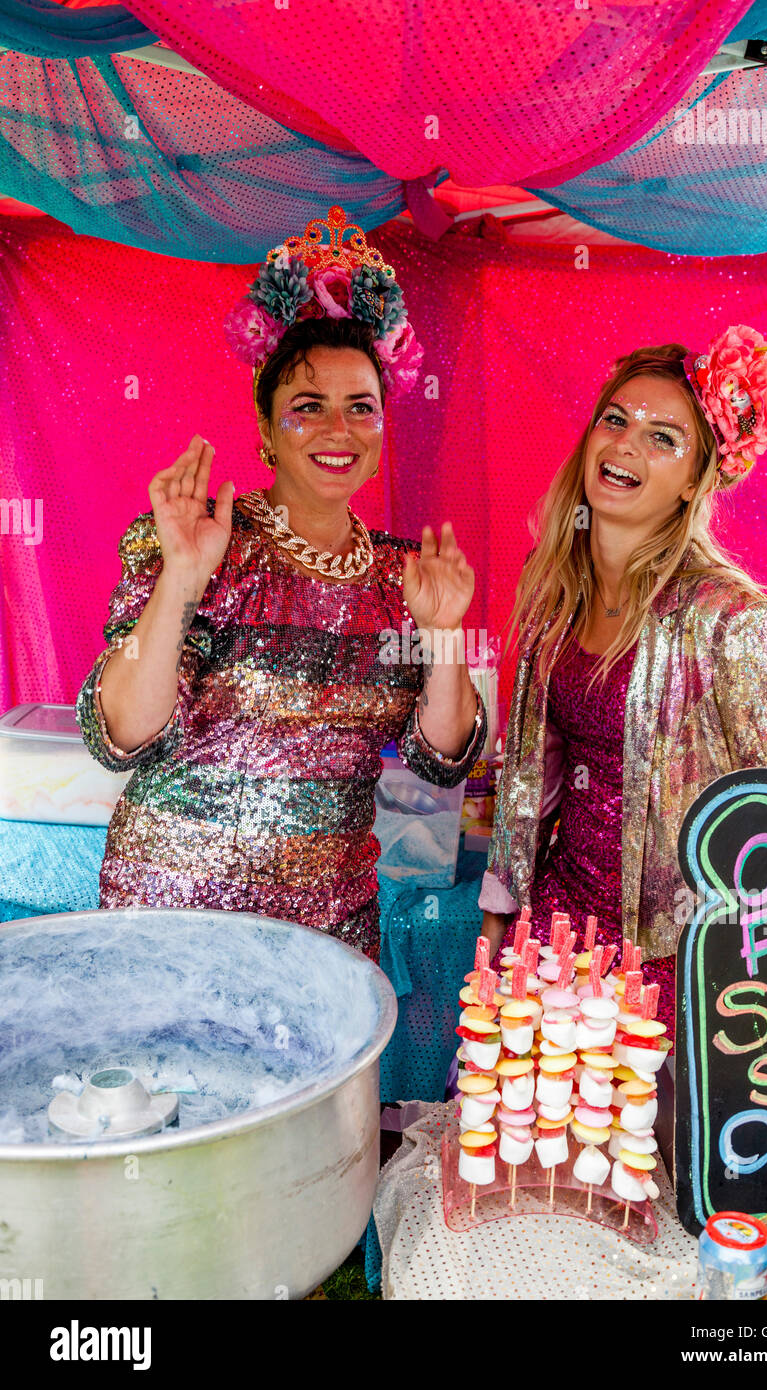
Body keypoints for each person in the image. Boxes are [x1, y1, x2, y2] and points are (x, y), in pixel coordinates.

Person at [76, 206, 485, 962]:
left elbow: (443, 759)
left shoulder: (404, 577)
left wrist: (445, 633)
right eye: (308, 408)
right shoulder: (203, 542)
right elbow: (120, 736)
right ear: (266, 430)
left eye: (361, 408)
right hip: (173, 924)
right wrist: (182, 583)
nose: (339, 429)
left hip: (326, 939)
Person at [478, 328, 767, 1034]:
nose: (628, 443)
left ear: (696, 481)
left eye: (665, 438)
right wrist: (499, 926)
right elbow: (526, 785)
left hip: (684, 959)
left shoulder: (731, 619)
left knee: (651, 1144)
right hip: (560, 941)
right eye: (617, 419)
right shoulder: (553, 598)